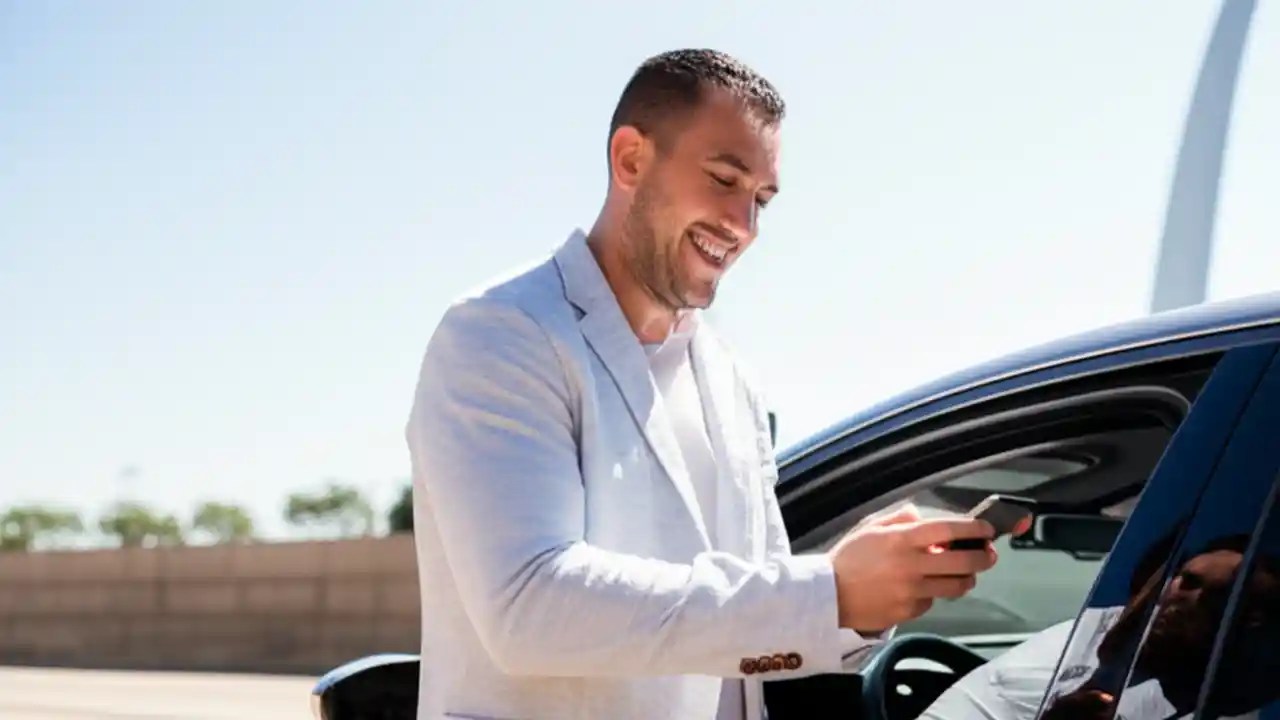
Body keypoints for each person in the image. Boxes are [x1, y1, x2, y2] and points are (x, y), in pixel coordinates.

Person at [405, 48, 998, 720]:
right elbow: (528, 606)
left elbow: (760, 615)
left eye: (761, 200)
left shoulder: (732, 382)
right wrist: (829, 590)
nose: (743, 227)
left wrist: (869, 598)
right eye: (723, 179)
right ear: (630, 160)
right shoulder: (501, 334)